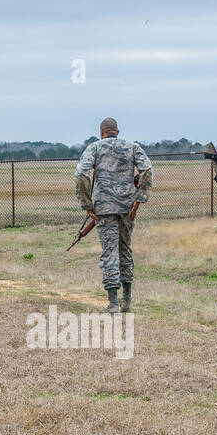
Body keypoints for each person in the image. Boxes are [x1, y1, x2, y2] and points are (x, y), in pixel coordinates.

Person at [74, 118, 153, 312]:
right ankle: (127, 300)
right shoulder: (132, 147)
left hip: (104, 209)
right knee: (125, 249)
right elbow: (147, 169)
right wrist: (138, 199)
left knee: (110, 252)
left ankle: (113, 303)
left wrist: (86, 203)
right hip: (128, 207)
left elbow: (81, 173)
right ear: (117, 131)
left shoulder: (95, 148)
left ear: (102, 132)